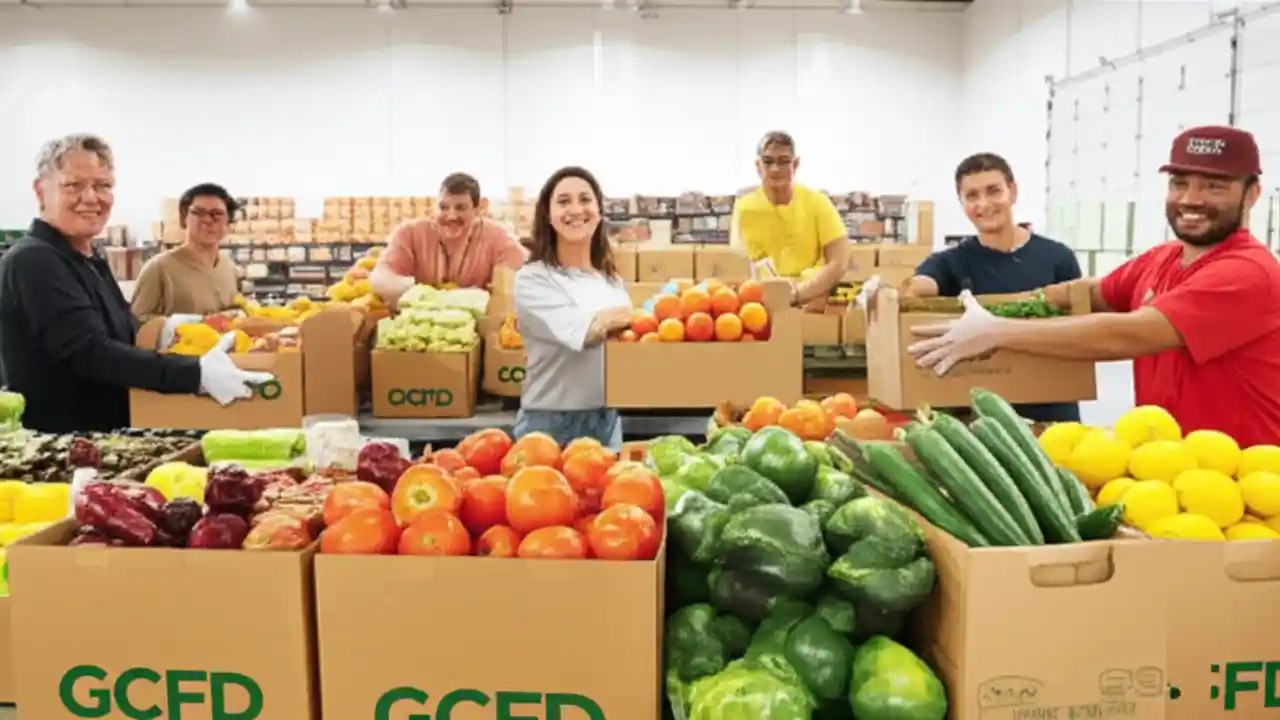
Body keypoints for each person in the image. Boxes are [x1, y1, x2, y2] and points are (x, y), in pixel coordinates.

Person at [909, 125, 1280, 446]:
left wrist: (996, 331)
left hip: (1244, 476)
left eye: (1214, 186)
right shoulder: (1161, 259)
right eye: (1179, 183)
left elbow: (1131, 334)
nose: (1190, 199)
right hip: (1170, 462)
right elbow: (1086, 293)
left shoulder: (1248, 271)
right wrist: (996, 308)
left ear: (1252, 194)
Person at [0, 134, 274, 433]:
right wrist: (194, 374)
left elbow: (113, 331)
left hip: (106, 438)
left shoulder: (88, 257)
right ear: (41, 191)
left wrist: (163, 330)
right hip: (61, 448)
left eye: (103, 185)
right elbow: (88, 352)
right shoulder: (34, 260)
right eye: (73, 185)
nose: (92, 197)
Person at [871, 153, 1083, 422]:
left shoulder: (1057, 258)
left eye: (994, 191)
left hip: (1052, 409)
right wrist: (886, 291)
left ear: (1013, 192)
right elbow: (919, 287)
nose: (984, 204)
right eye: (972, 196)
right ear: (962, 203)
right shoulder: (951, 261)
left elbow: (1078, 327)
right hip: (984, 421)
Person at [512, 166, 632, 451]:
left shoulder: (611, 282)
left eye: (585, 200)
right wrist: (635, 317)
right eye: (563, 202)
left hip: (607, 420)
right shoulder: (534, 278)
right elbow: (587, 333)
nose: (576, 209)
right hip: (550, 425)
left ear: (599, 211)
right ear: (548, 216)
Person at [731, 131, 851, 308]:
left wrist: (797, 295)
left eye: (784, 161)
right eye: (768, 161)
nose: (775, 169)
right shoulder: (744, 208)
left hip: (810, 302)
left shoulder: (817, 202)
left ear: (796, 164)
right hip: (760, 306)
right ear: (758, 166)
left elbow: (839, 261)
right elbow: (737, 265)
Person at [371, 172, 528, 307]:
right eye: (443, 207)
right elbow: (381, 278)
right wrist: (422, 293)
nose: (451, 216)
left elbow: (524, 282)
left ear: (479, 208)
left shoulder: (499, 238)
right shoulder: (409, 233)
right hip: (419, 323)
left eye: (461, 208)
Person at [131, 182, 241, 322]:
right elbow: (136, 322)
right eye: (198, 213)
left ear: (228, 222)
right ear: (184, 218)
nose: (207, 220)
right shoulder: (158, 269)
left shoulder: (228, 267)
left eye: (216, 214)